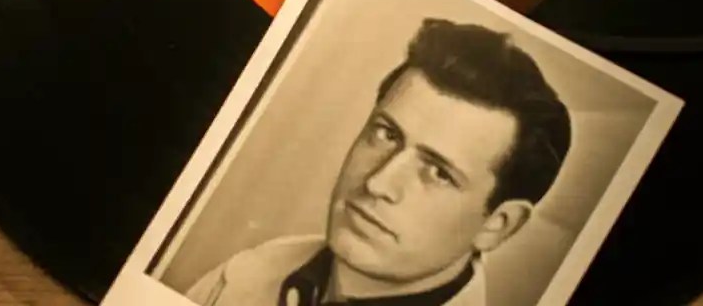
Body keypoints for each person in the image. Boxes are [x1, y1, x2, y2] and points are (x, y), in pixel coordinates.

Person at [184, 18, 573, 306]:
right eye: (386, 134)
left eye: (438, 172)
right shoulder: (250, 270)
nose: (377, 183)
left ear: (497, 224)